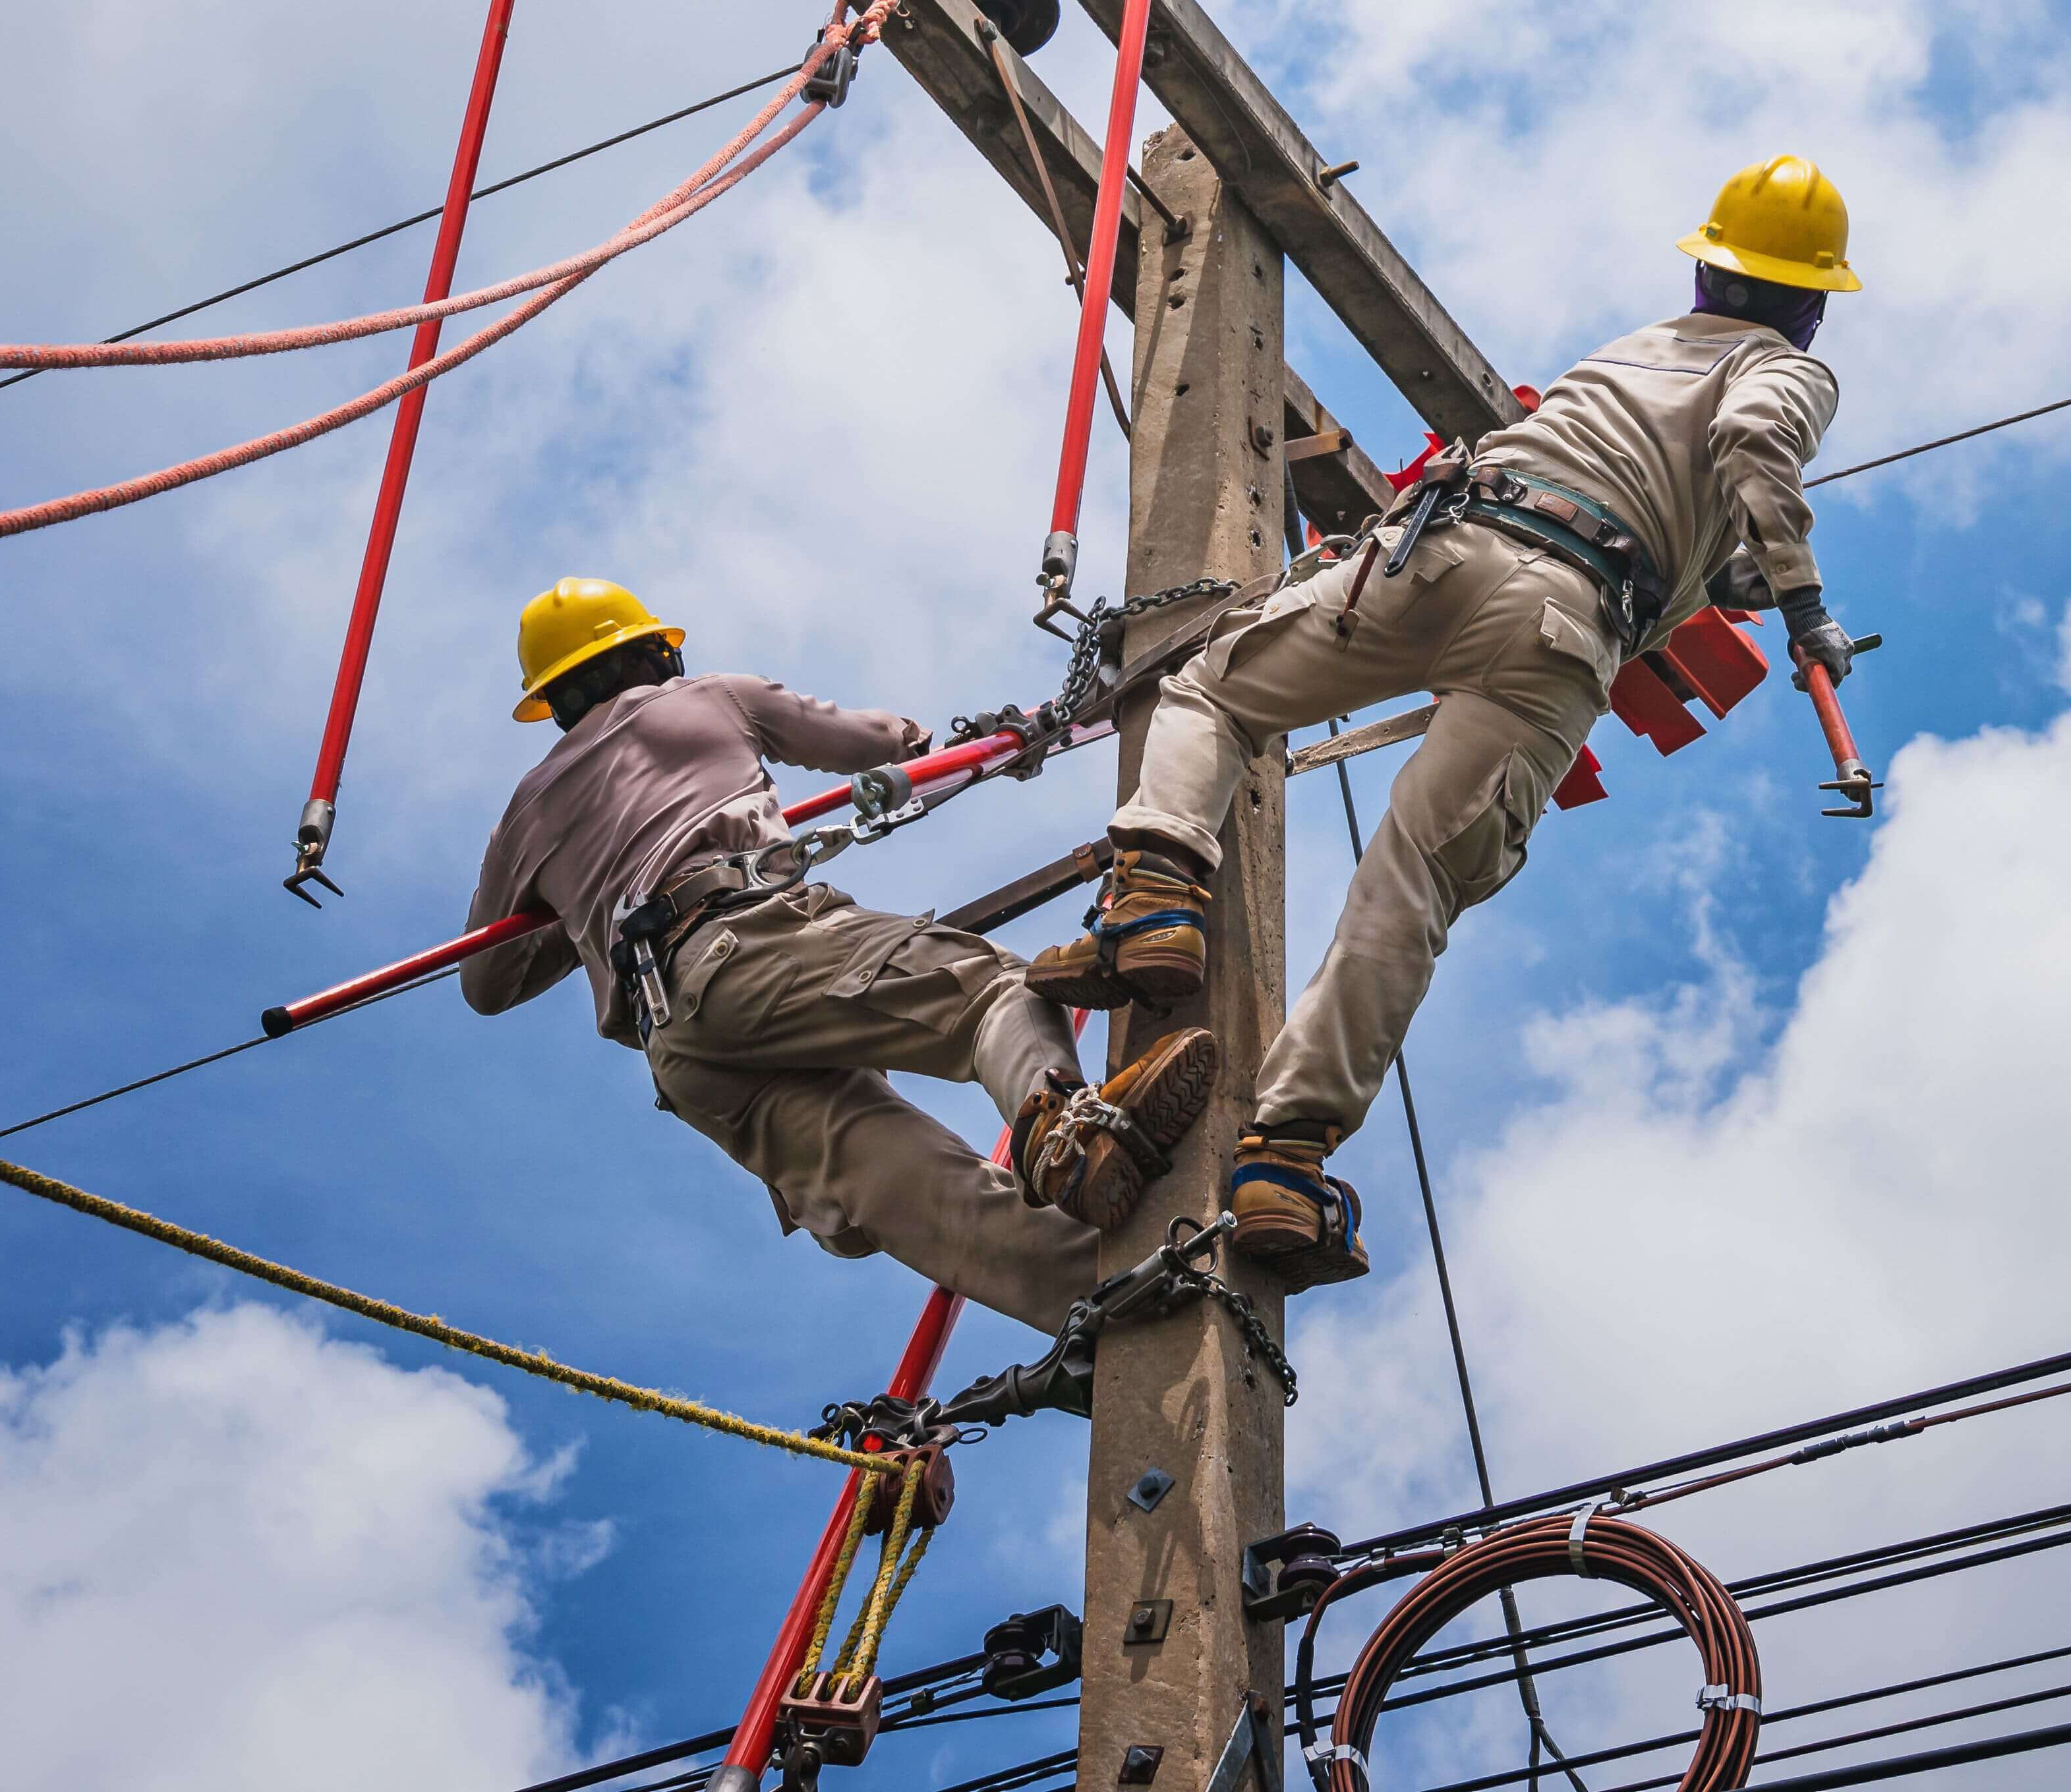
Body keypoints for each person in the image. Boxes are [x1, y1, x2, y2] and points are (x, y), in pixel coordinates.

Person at [1029, 154, 1866, 1289]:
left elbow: (1674, 491)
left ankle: (1157, 895)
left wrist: (1738, 575)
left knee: (1214, 690)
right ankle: (1284, 1156)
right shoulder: (1786, 371)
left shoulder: (1632, 355)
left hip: (1448, 553)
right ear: (1813, 305)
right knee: (1412, 886)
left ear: (1710, 273)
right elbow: (1756, 448)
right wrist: (1806, 607)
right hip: (1568, 631)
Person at [458, 578, 1217, 1344]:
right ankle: (1071, 1136)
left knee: (893, 1180)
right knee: (990, 992)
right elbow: (871, 743)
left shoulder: (526, 813)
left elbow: (487, 983)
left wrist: (585, 907)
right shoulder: (707, 699)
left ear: (553, 703)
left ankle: (1104, 1302)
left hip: (682, 1054)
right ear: (657, 652)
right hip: (739, 945)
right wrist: (960, 744)